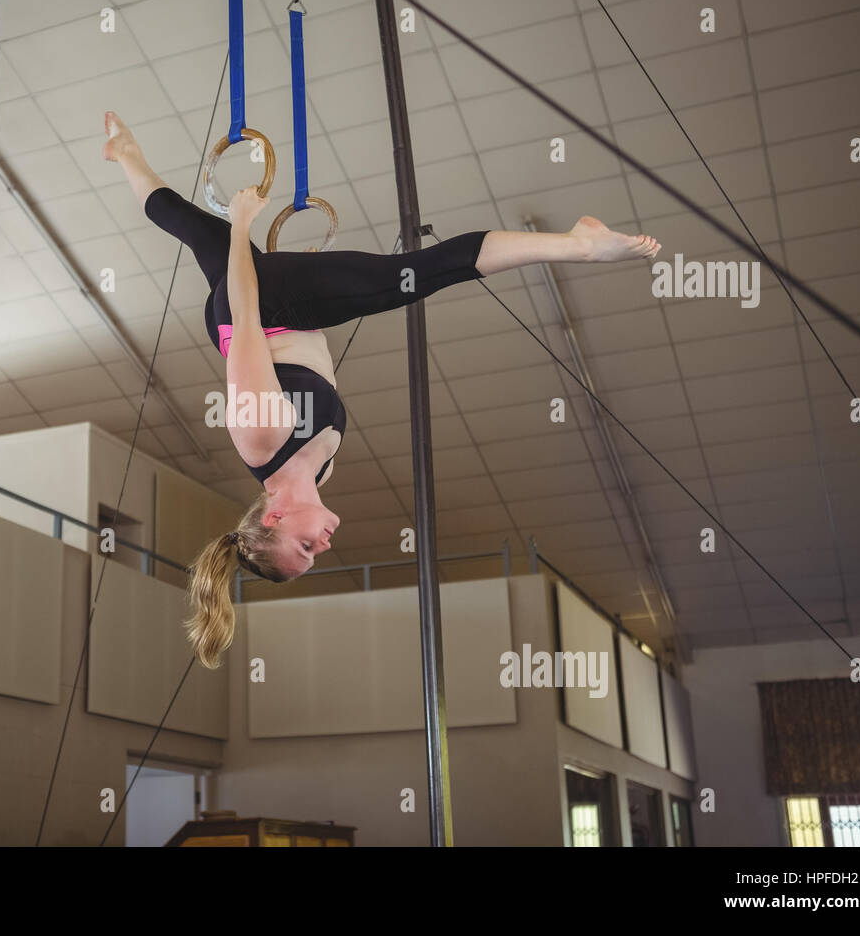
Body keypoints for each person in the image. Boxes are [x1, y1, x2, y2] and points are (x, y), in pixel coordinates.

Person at [104, 111, 661, 668]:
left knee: (412, 274)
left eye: (305, 547)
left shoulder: (260, 438)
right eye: (315, 557)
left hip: (261, 305)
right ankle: (126, 154)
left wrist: (245, 227)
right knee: (192, 229)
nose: (322, 547)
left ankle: (582, 246)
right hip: (280, 309)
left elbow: (246, 317)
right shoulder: (320, 471)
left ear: (273, 518)